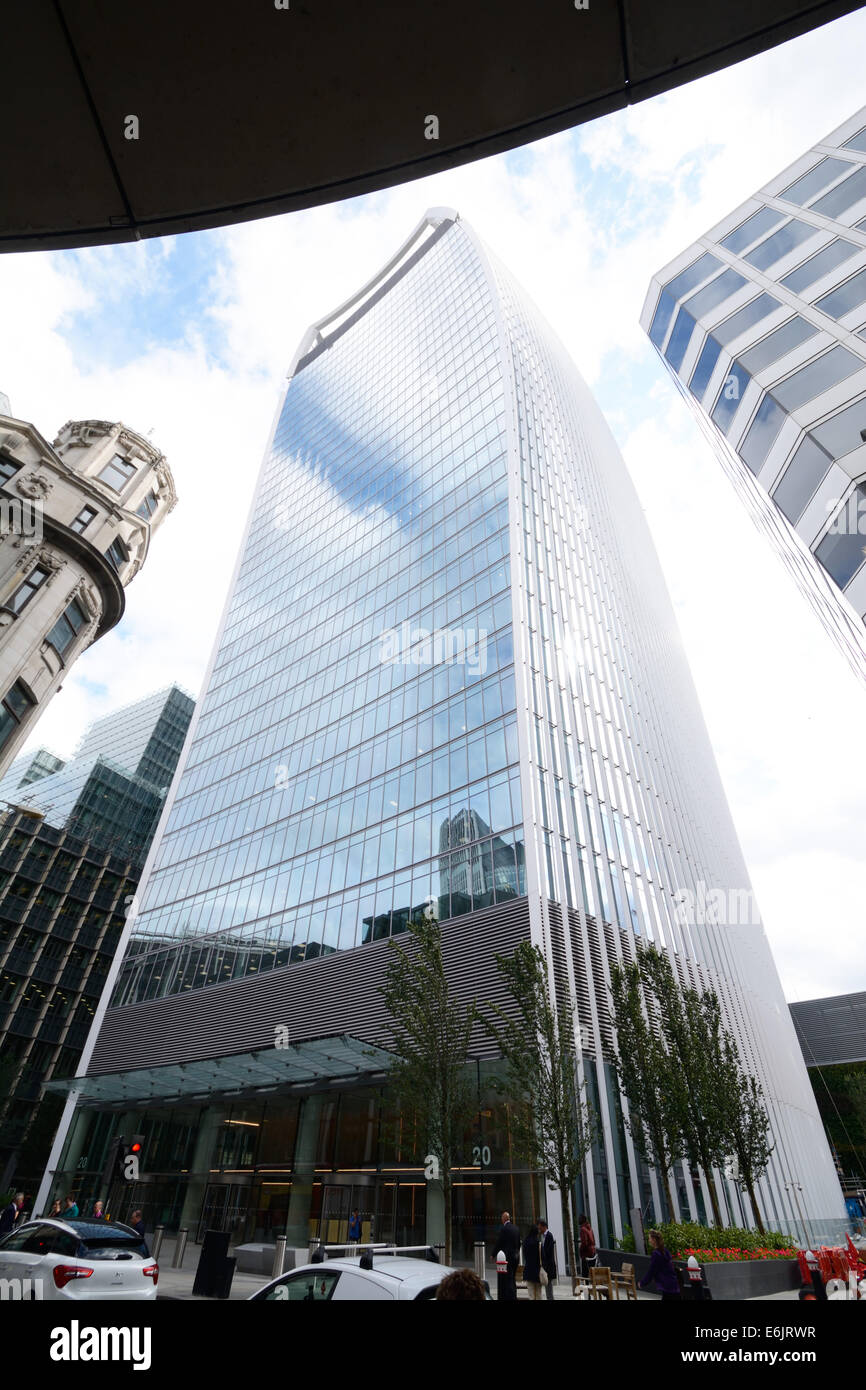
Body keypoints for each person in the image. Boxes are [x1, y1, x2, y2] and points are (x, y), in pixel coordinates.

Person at [638, 1229, 682, 1300]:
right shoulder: (665, 1251)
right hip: (673, 1284)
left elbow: (651, 1271)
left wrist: (642, 1283)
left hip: (667, 1286)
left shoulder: (656, 1254)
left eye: (649, 1238)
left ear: (654, 1240)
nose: (649, 1240)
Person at [492, 1210, 520, 1301]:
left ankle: (510, 1296)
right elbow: (519, 1243)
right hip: (516, 1257)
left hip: (507, 1257)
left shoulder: (504, 1229)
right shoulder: (516, 1228)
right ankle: (514, 1295)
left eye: (501, 1218)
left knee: (508, 1278)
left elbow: (499, 1243)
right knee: (513, 1278)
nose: (501, 1219)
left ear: (504, 1219)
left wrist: (493, 1254)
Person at [522, 1223, 543, 1300]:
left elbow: (525, 1255)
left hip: (528, 1270)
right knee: (538, 1294)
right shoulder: (538, 1243)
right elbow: (542, 1256)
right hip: (537, 1271)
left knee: (531, 1294)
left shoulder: (526, 1242)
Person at [538, 1218, 557, 1300]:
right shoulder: (544, 1236)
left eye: (540, 1228)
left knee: (549, 1288)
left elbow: (548, 1252)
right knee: (548, 1287)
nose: (539, 1230)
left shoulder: (549, 1236)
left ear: (544, 1227)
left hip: (549, 1266)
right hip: (547, 1266)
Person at [578, 1212, 597, 1278]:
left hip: (586, 1255)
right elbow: (593, 1241)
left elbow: (584, 1243)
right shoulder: (590, 1229)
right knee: (591, 1273)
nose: (578, 1220)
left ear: (583, 1220)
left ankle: (586, 1287)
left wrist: (580, 1250)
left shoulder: (583, 1229)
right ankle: (592, 1287)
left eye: (579, 1219)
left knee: (585, 1274)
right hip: (592, 1253)